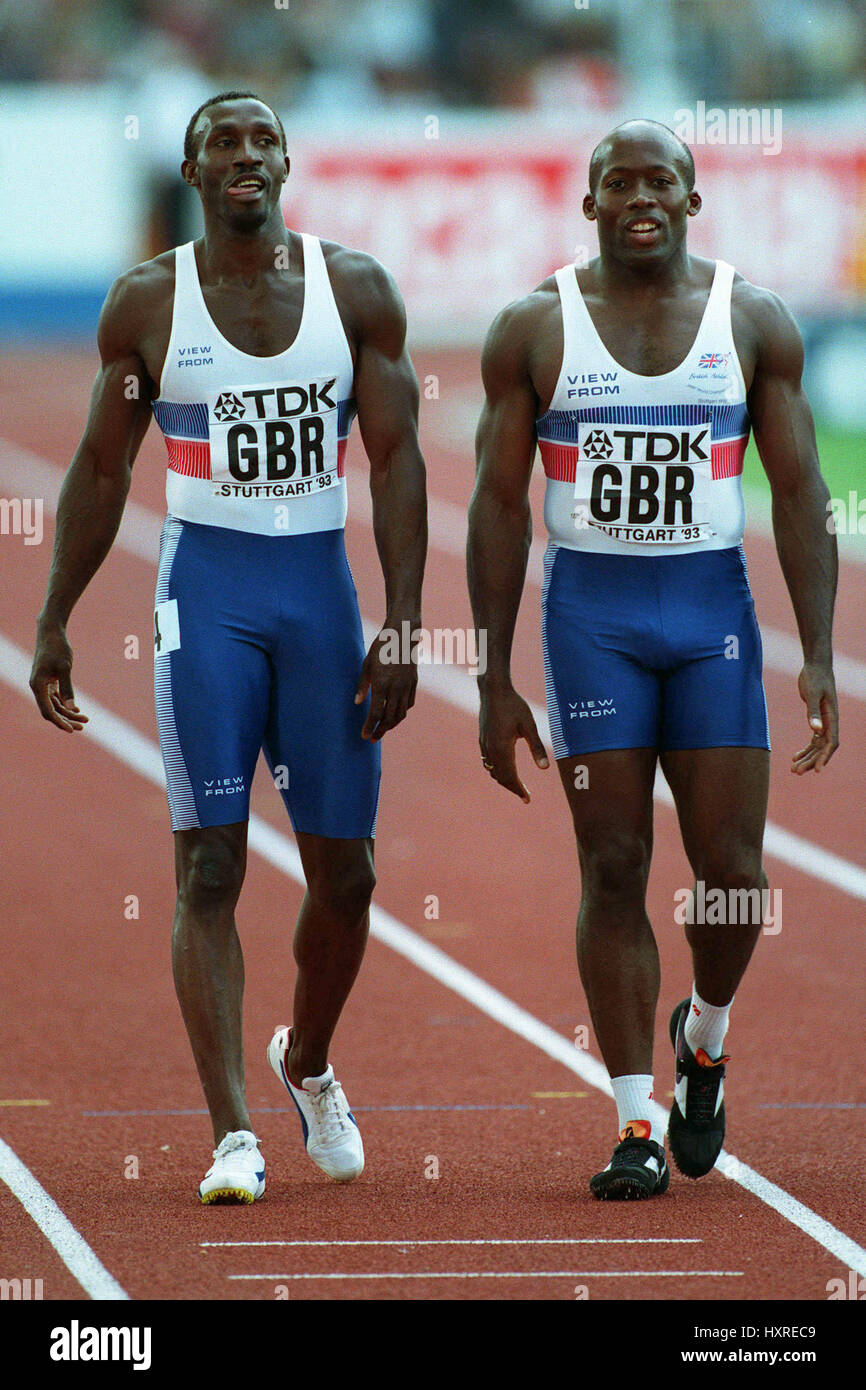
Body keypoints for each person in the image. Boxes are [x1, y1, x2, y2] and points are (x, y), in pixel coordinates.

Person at [30, 91, 427, 1203]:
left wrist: (403, 619)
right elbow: (103, 467)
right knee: (209, 862)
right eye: (222, 143)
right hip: (205, 592)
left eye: (261, 140)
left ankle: (304, 1062)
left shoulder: (352, 290)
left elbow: (396, 459)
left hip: (318, 595)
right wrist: (56, 615)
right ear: (195, 170)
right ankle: (232, 1132)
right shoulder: (149, 302)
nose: (244, 157)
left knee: (347, 874)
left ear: (287, 161)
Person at [467, 120, 838, 1199]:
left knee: (731, 876)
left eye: (658, 180)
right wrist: (490, 678)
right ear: (586, 204)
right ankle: (633, 1119)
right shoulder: (533, 327)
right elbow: (495, 505)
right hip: (593, 618)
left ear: (691, 198)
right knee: (614, 863)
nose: (639, 196)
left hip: (709, 612)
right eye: (616, 181)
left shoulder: (751, 319)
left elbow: (802, 492)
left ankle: (703, 1041)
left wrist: (814, 651)